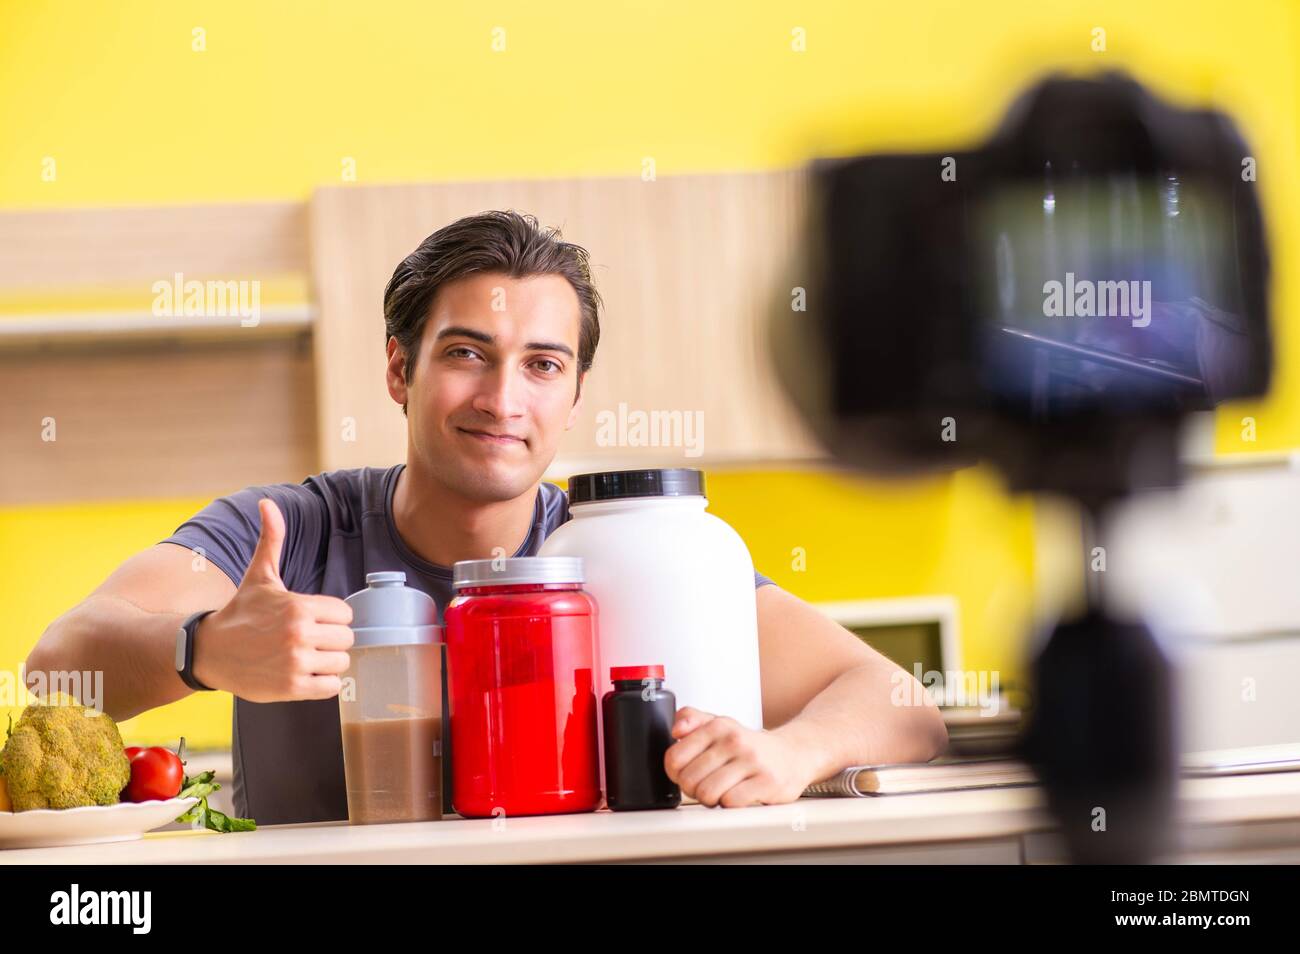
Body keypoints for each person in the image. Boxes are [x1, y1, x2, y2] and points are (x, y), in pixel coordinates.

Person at [27, 210, 947, 824]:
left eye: (544, 364)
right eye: (468, 353)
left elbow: (904, 708)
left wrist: (791, 754)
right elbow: (59, 666)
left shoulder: (630, 552)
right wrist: (204, 648)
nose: (503, 398)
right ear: (400, 369)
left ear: (577, 394)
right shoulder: (291, 532)